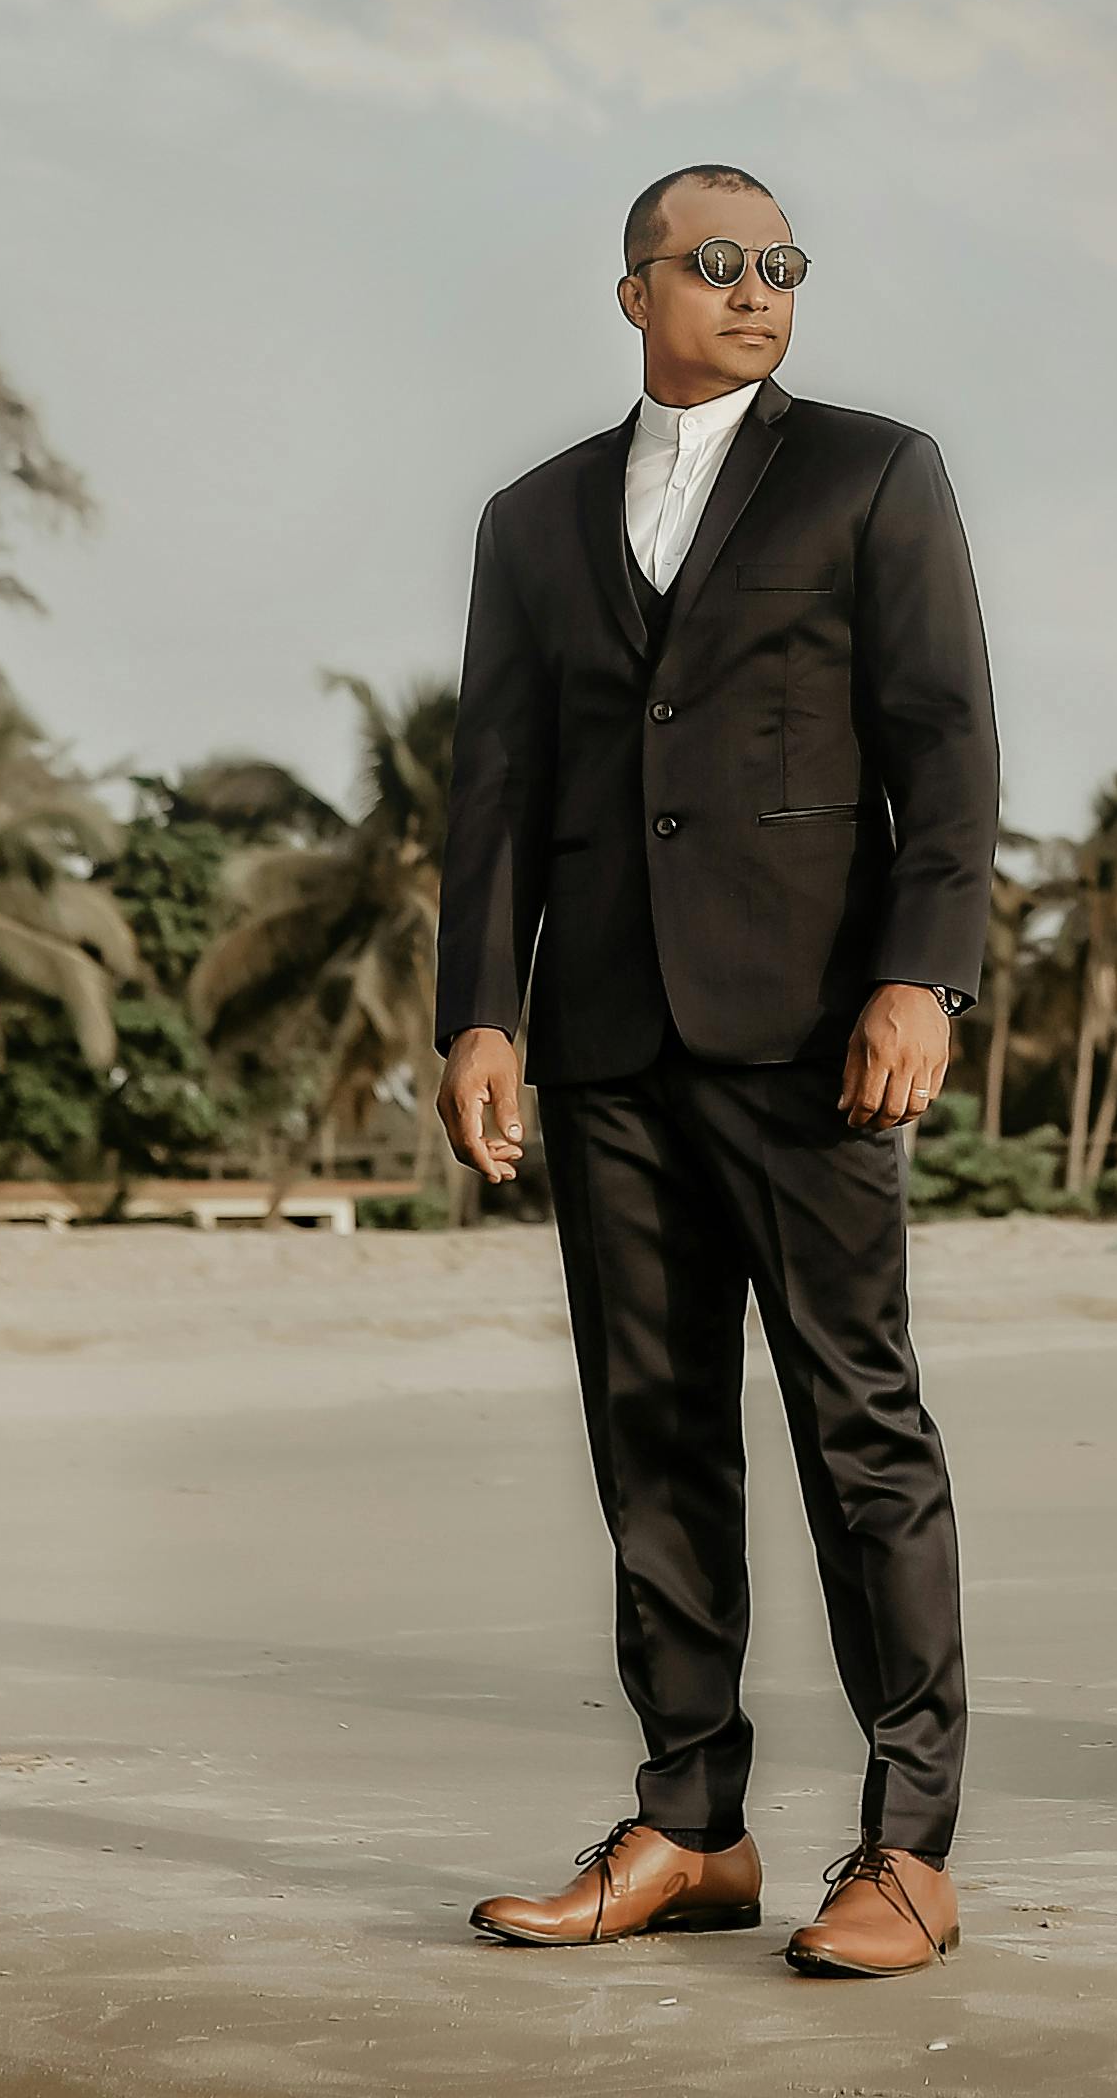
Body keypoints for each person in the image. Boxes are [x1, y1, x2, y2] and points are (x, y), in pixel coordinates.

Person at [436, 166, 999, 1980]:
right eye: (719, 265)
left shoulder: (872, 471)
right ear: (635, 294)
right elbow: (497, 793)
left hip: (820, 1035)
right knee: (650, 1437)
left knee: (860, 1429)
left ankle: (907, 1849)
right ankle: (691, 1823)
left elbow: (945, 743)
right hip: (605, 1042)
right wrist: (481, 1013)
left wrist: (923, 976)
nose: (759, 293)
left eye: (783, 267)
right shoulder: (529, 520)